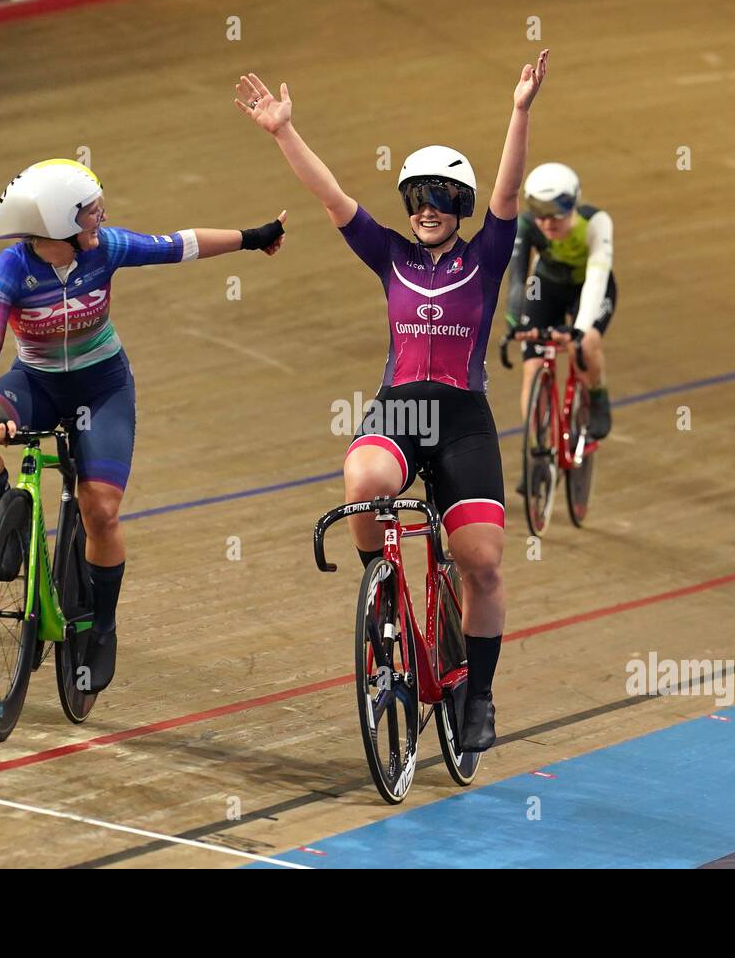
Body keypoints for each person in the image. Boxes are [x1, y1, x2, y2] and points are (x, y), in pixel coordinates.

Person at [235, 50, 550, 750]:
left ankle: (481, 696)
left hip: (463, 418)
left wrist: (519, 112)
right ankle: (386, 598)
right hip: (402, 408)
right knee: (363, 478)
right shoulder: (390, 256)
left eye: (439, 199)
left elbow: (509, 191)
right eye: (415, 199)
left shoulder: (486, 256)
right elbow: (331, 196)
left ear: (459, 208)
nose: (425, 211)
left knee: (484, 564)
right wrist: (284, 132)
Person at [0, 159, 285, 692]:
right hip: (37, 383)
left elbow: (181, 244)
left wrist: (252, 238)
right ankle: (13, 530)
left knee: (101, 511)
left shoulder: (106, 248)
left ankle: (103, 625)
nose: (100, 217)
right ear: (59, 223)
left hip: (101, 387)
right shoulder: (8, 273)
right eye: (90, 211)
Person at [506, 162, 616, 463]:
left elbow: (597, 278)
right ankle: (537, 453)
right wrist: (514, 322)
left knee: (586, 343)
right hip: (547, 288)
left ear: (575, 204)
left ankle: (597, 397)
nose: (548, 222)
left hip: (589, 288)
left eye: (558, 211)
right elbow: (518, 277)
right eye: (539, 211)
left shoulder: (596, 223)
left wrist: (579, 330)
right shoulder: (528, 225)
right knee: (532, 366)